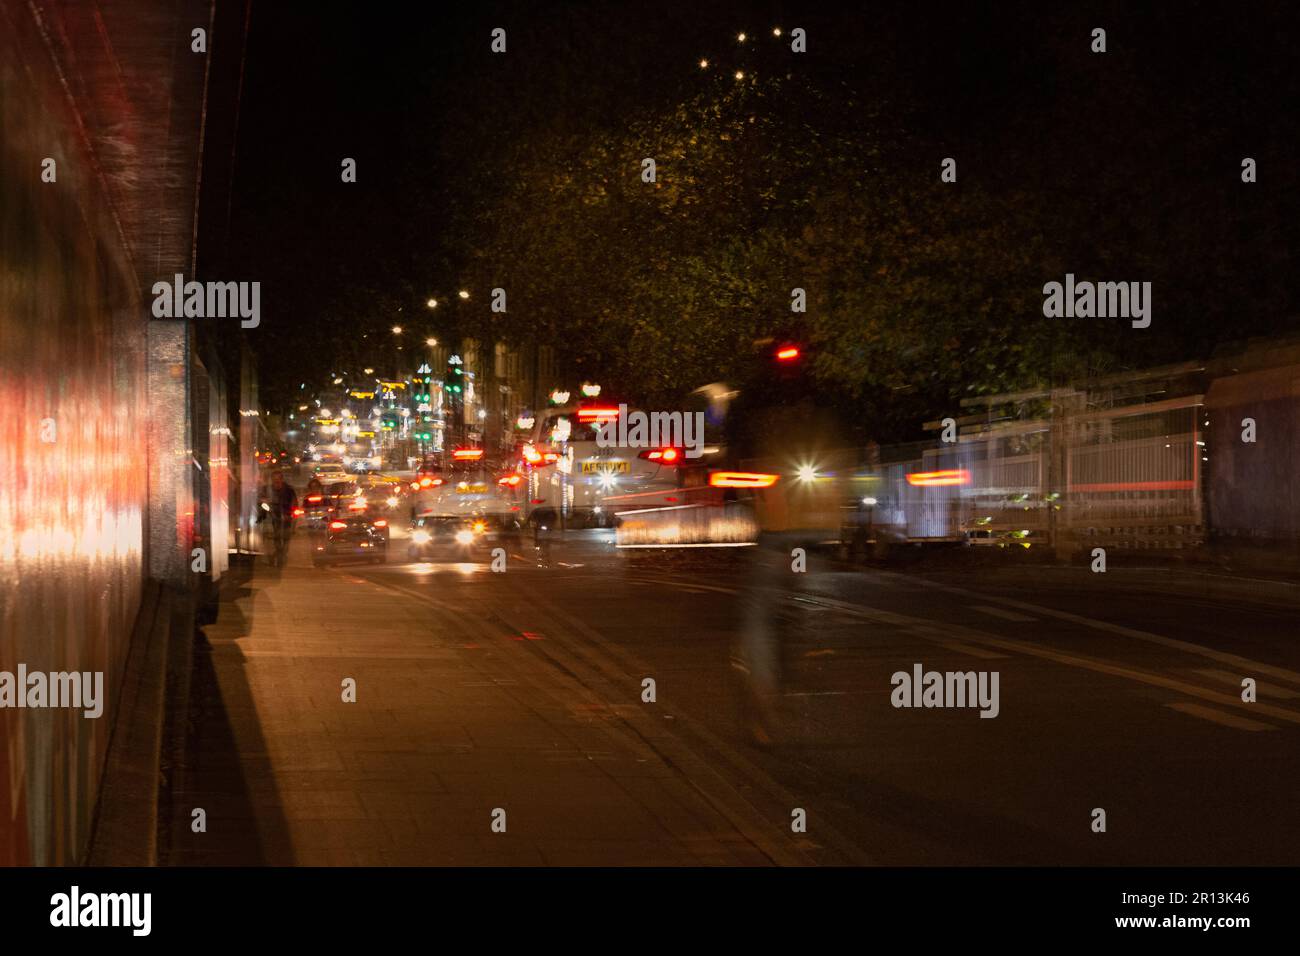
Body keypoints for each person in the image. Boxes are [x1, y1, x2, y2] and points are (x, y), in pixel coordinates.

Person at [261, 471, 298, 567]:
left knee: (286, 538)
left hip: (286, 517)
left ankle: (282, 554)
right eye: (274, 479)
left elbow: (294, 504)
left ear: (282, 479)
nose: (276, 481)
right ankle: (276, 555)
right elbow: (262, 501)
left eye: (278, 479)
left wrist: (291, 515)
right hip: (271, 517)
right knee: (274, 538)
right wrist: (266, 506)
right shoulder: (266, 489)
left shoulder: (289, 490)